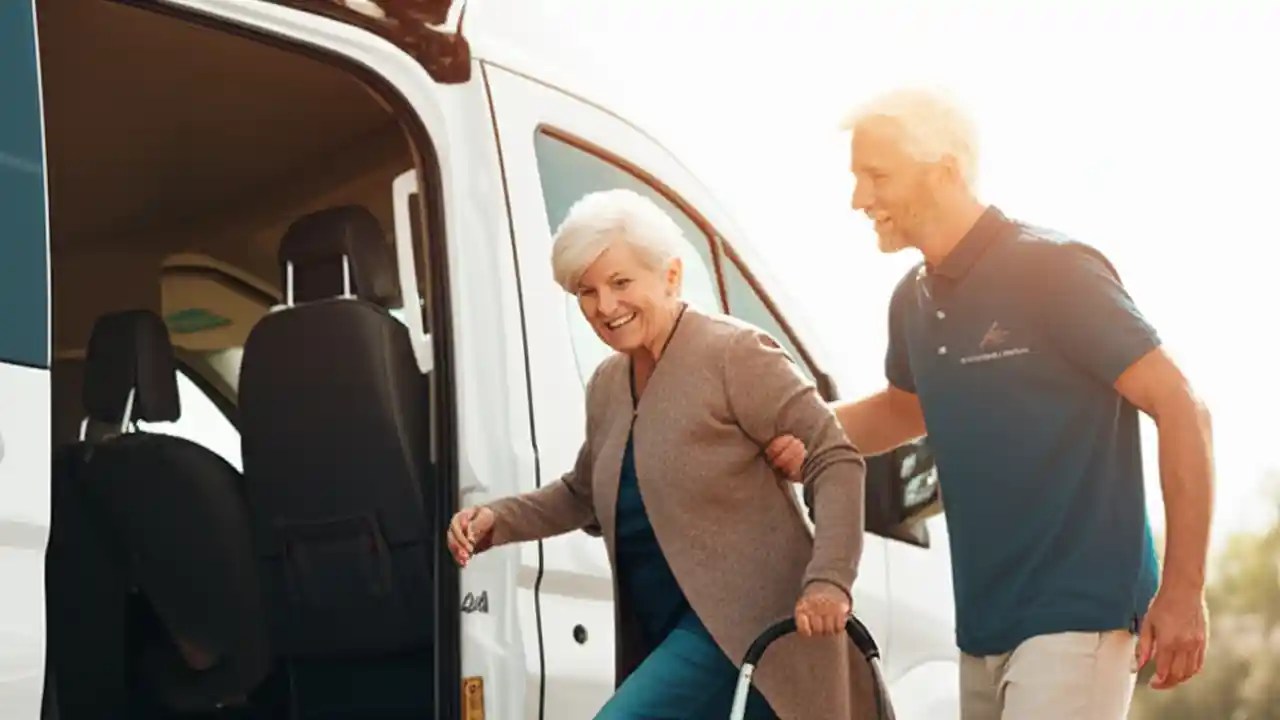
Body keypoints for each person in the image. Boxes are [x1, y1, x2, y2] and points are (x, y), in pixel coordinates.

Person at [768, 88, 1213, 720]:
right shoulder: (912, 300)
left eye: (878, 176)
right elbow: (902, 409)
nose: (859, 199)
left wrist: (1184, 588)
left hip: (1077, 609)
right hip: (982, 622)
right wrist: (795, 428)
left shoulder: (1054, 270)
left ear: (943, 170)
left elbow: (1182, 407)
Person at [446, 188, 876, 719]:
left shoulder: (733, 353)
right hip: (660, 630)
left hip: (744, 630)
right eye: (586, 291)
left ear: (670, 276)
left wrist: (830, 579)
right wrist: (497, 520)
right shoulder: (607, 383)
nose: (605, 306)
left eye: (621, 282)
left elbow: (833, 455)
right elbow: (584, 493)